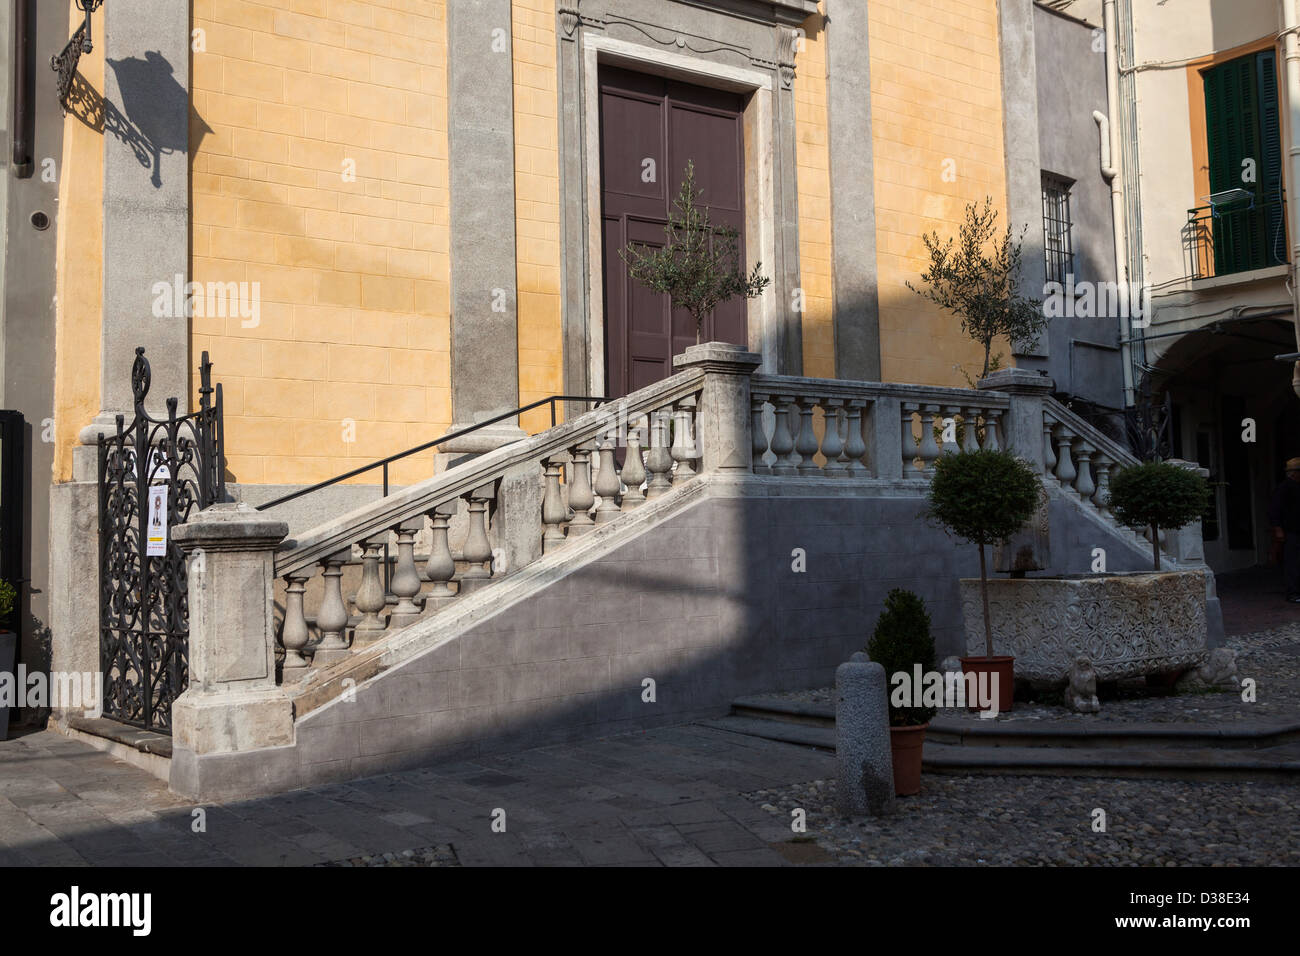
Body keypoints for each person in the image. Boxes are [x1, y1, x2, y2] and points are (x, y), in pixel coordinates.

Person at [1268, 458, 1300, 603]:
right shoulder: (1284, 488)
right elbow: (1275, 510)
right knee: (1292, 562)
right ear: (1294, 473)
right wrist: (1278, 528)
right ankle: (1293, 592)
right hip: (1291, 530)